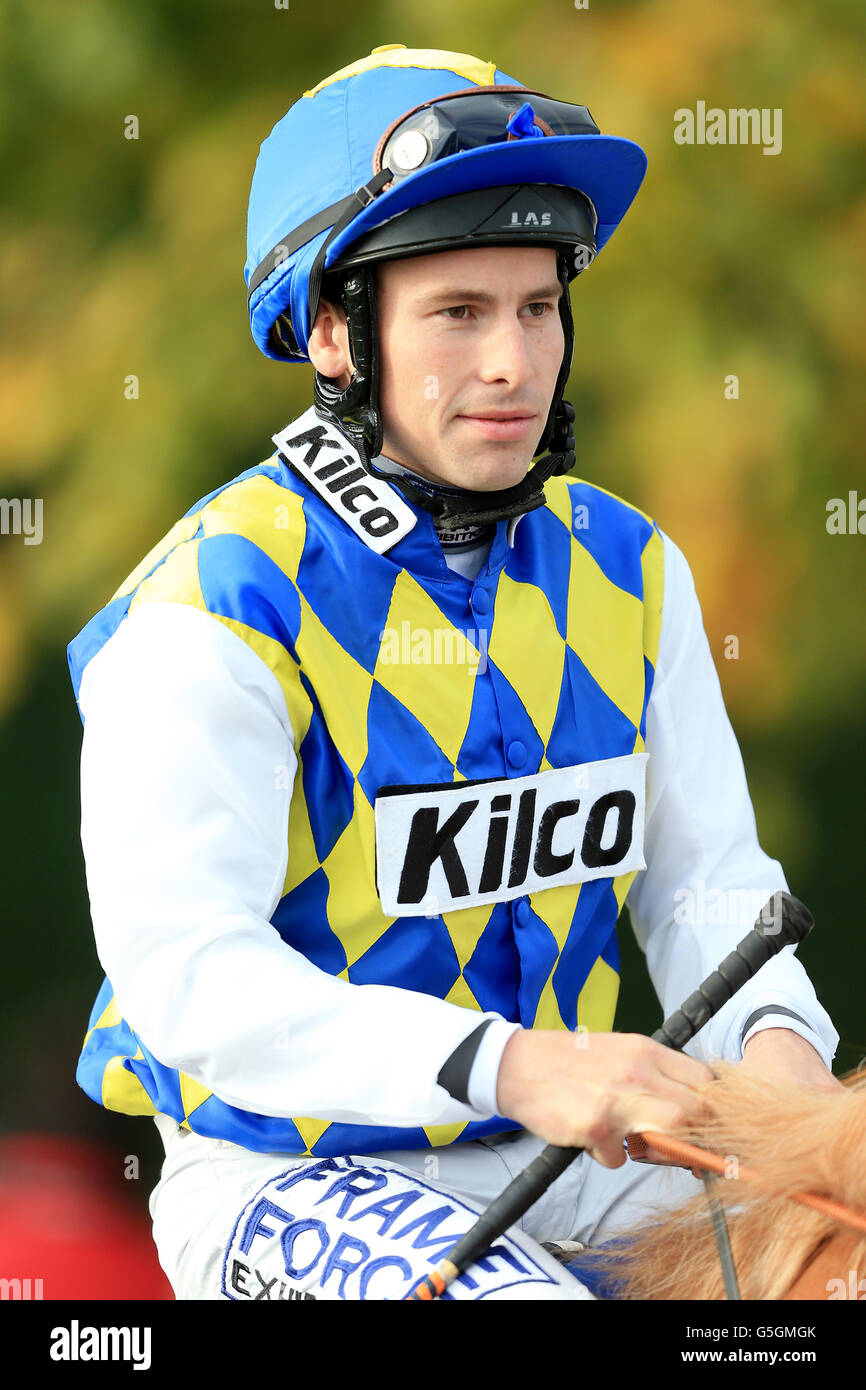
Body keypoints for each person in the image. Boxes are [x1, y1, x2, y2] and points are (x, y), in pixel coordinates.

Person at [67, 45, 839, 1301]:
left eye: (536, 308)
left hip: (571, 1153)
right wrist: (516, 1062)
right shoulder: (213, 601)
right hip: (280, 1170)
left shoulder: (631, 568)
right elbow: (189, 975)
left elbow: (707, 883)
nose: (511, 364)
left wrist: (778, 1052)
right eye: (457, 313)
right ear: (332, 331)